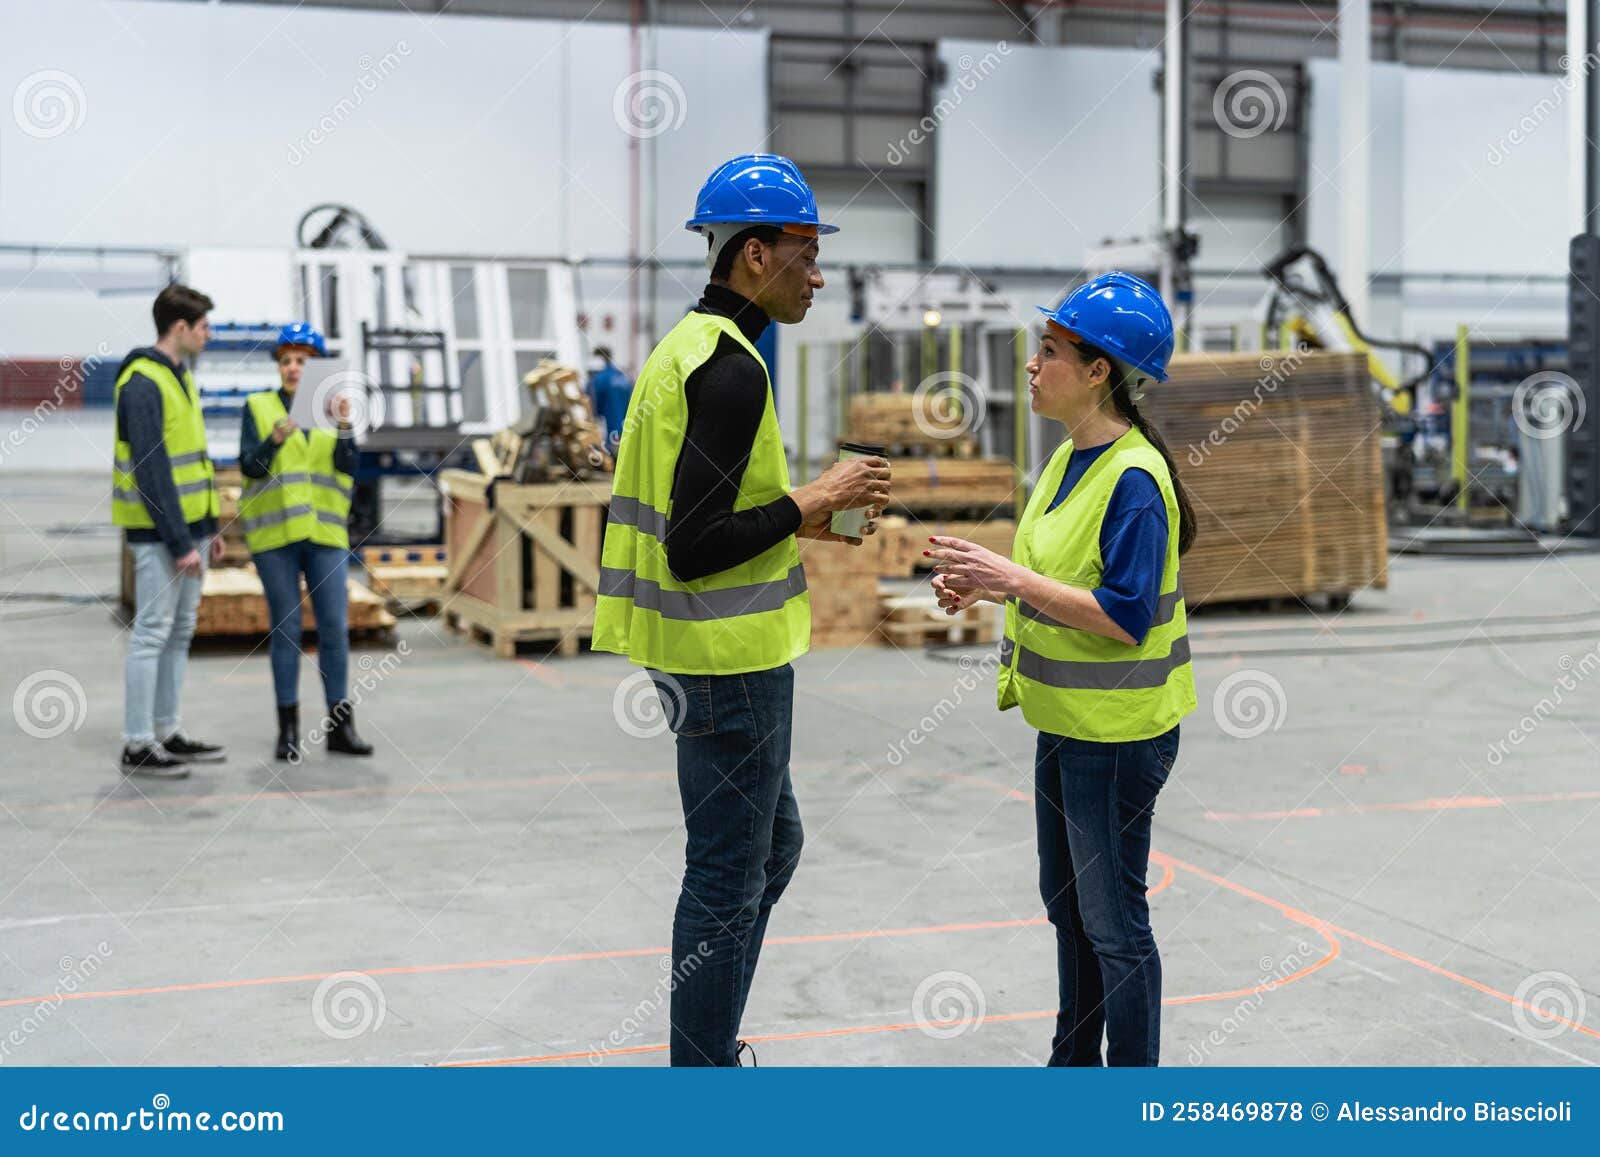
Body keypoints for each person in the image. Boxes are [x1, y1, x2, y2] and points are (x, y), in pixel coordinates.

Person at [592, 153, 891, 1067]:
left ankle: (709, 1039)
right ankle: (703, 1066)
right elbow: (695, 544)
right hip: (728, 661)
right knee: (727, 875)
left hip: (696, 650)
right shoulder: (731, 371)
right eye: (807, 253)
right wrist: (813, 498)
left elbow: (705, 513)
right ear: (755, 254)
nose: (818, 275)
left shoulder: (685, 349)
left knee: (772, 848)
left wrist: (803, 515)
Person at [928, 272, 1197, 1067]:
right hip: (1066, 723)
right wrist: (987, 583)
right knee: (1070, 909)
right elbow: (1058, 575)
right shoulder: (1068, 459)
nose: (1032, 365)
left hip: (1115, 734)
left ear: (1097, 371)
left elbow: (1125, 615)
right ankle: (1072, 1067)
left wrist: (1010, 577)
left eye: (1049, 352)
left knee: (1114, 926)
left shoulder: (1134, 480)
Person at [238, 323, 372, 762]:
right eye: (287, 361)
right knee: (287, 631)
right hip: (275, 539)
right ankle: (288, 731)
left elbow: (348, 467)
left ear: (316, 368)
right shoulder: (258, 407)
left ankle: (340, 728)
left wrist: (347, 425)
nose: (293, 368)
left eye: (302, 361)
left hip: (325, 536)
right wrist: (273, 441)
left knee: (334, 629)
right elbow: (249, 467)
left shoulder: (332, 411)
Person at [115, 283, 227, 779]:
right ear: (180, 328)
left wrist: (210, 528)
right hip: (160, 535)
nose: (209, 334)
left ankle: (166, 729)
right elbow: (151, 469)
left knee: (179, 632)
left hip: (191, 529)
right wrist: (180, 542)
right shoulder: (143, 382)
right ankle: (137, 742)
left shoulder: (180, 375)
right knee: (151, 634)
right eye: (203, 326)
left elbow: (194, 461)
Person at [586, 345, 633, 454]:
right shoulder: (623, 377)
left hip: (609, 436)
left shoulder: (598, 379)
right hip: (628, 431)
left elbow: (591, 409)